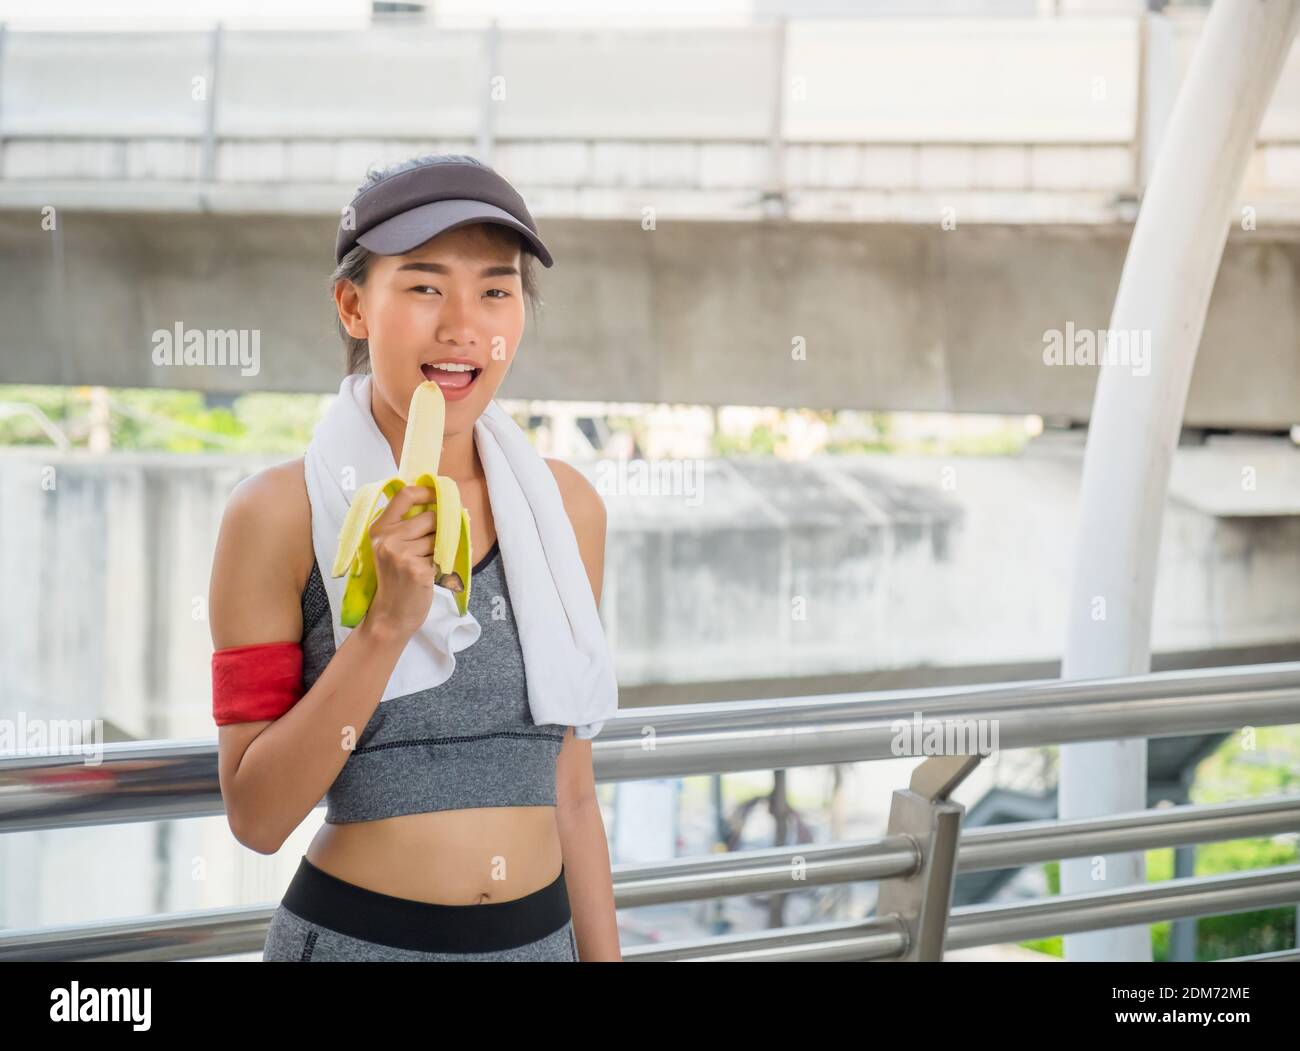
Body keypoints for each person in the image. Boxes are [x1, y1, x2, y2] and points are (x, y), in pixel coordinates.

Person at [208, 153, 620, 961]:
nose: (464, 324)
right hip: (358, 942)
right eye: (426, 285)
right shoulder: (275, 515)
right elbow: (255, 818)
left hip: (542, 943)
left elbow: (571, 793)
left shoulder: (565, 510)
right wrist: (382, 628)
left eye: (495, 290)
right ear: (353, 305)